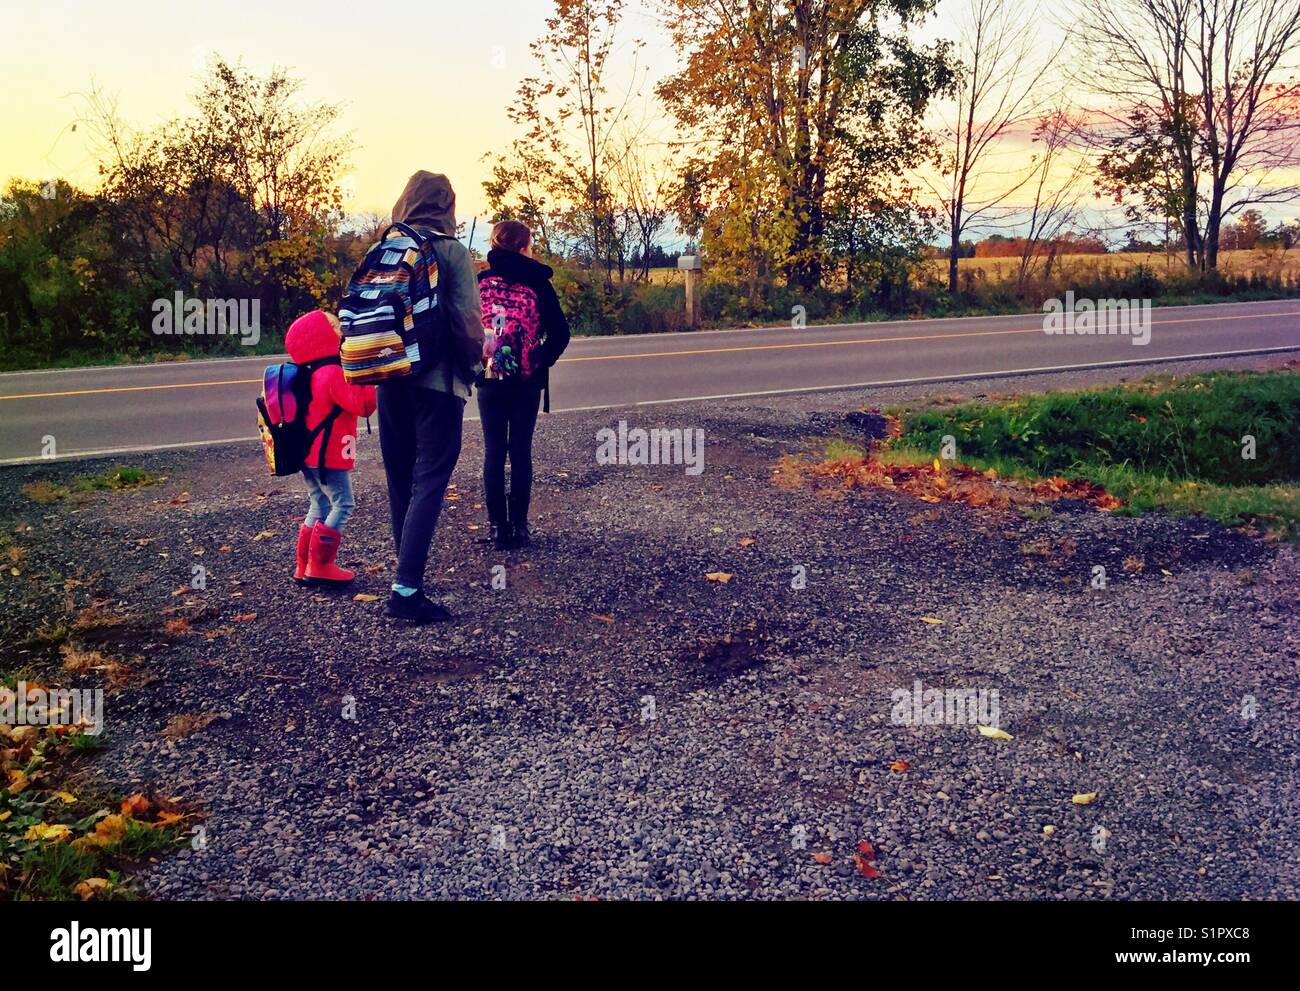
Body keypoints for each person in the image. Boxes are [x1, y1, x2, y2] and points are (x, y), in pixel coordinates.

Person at [378, 172, 484, 624]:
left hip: (388, 378)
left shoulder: (386, 247)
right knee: (431, 480)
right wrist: (474, 368)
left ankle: (407, 575)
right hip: (437, 384)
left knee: (400, 478)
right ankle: (406, 592)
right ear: (447, 206)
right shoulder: (451, 252)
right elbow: (468, 323)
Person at [476, 220, 570, 549]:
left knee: (493, 453)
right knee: (520, 452)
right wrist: (538, 359)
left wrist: (477, 362)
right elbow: (561, 334)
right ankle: (519, 527)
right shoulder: (538, 283)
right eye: (530, 245)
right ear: (522, 247)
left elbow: (466, 328)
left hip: (490, 379)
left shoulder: (481, 282)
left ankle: (496, 529)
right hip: (526, 382)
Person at [285, 310, 377, 587]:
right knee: (343, 503)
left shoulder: (311, 372)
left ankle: (303, 565)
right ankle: (321, 566)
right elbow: (363, 406)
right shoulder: (333, 373)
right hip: (328, 454)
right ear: (321, 337)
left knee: (319, 503)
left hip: (308, 454)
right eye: (335, 328)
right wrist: (368, 375)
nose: (340, 333)